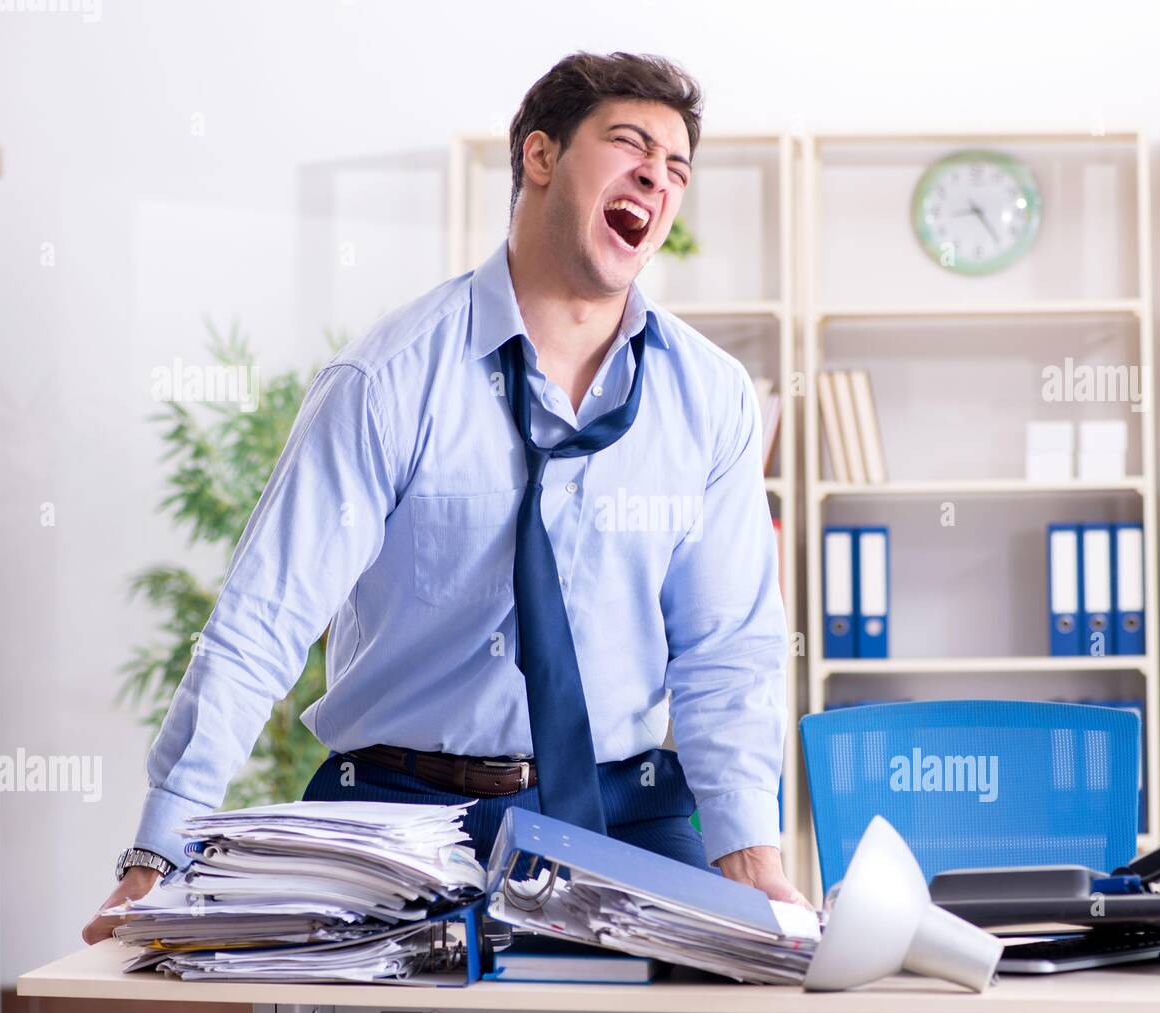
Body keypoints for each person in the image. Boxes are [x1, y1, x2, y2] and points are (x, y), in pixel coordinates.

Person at [84, 49, 808, 946]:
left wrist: (753, 861)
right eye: (630, 146)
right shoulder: (388, 380)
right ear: (540, 158)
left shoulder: (711, 398)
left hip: (627, 810)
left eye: (677, 169)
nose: (656, 179)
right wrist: (157, 852)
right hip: (397, 814)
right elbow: (262, 617)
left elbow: (727, 649)